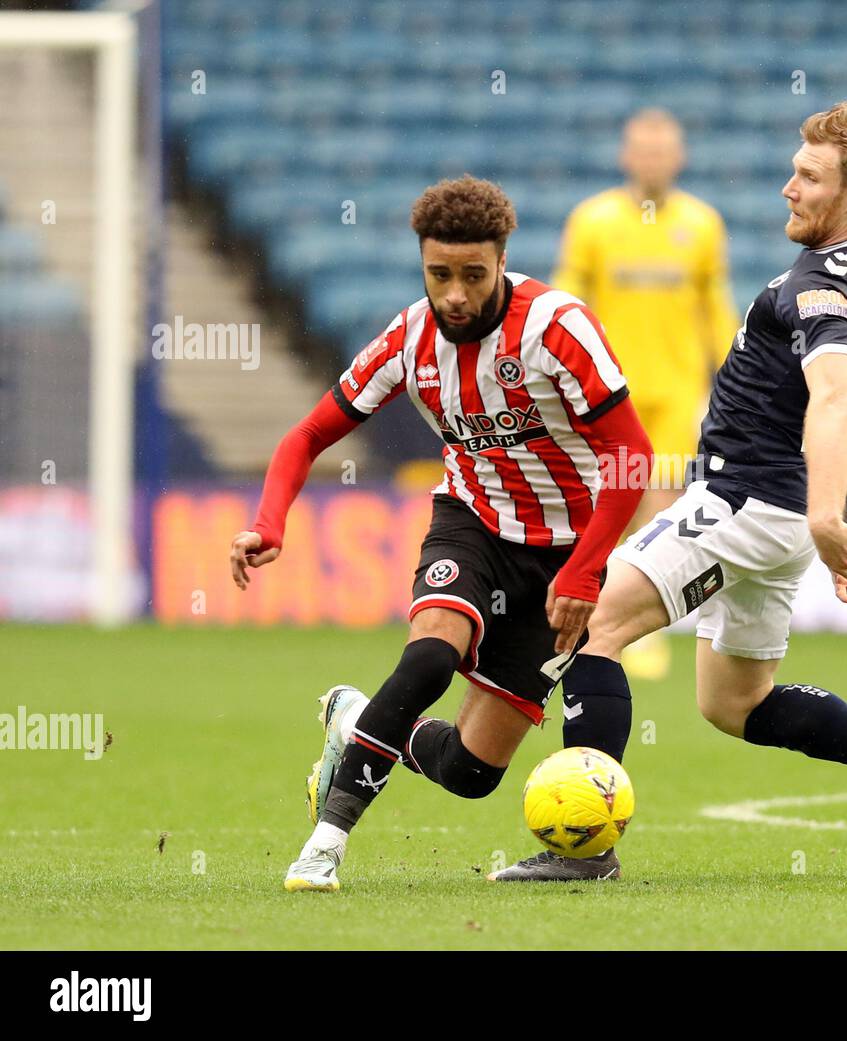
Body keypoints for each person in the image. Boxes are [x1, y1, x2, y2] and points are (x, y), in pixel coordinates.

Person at [490, 102, 847, 883]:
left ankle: (581, 849)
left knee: (591, 628)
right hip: (781, 522)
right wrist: (841, 531)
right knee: (735, 703)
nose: (788, 187)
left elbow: (836, 401)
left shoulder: (819, 291)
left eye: (809, 176)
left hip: (739, 501)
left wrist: (834, 522)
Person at [227, 175, 652, 892]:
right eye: (439, 274)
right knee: (428, 658)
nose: (454, 293)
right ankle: (326, 841)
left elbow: (631, 454)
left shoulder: (557, 327)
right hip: (473, 524)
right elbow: (306, 436)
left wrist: (585, 568)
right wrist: (269, 521)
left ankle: (355, 719)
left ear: (502, 261)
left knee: (471, 772)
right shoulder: (409, 339)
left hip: (560, 557)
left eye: (473, 275)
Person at [552, 108, 739, 679]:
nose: (653, 160)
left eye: (663, 150)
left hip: (676, 390)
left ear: (678, 158)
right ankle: (588, 610)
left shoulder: (702, 224)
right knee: (606, 502)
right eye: (643, 149)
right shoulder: (593, 221)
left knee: (656, 505)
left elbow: (715, 308)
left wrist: (733, 373)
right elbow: (567, 299)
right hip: (608, 392)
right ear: (625, 156)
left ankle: (632, 631)